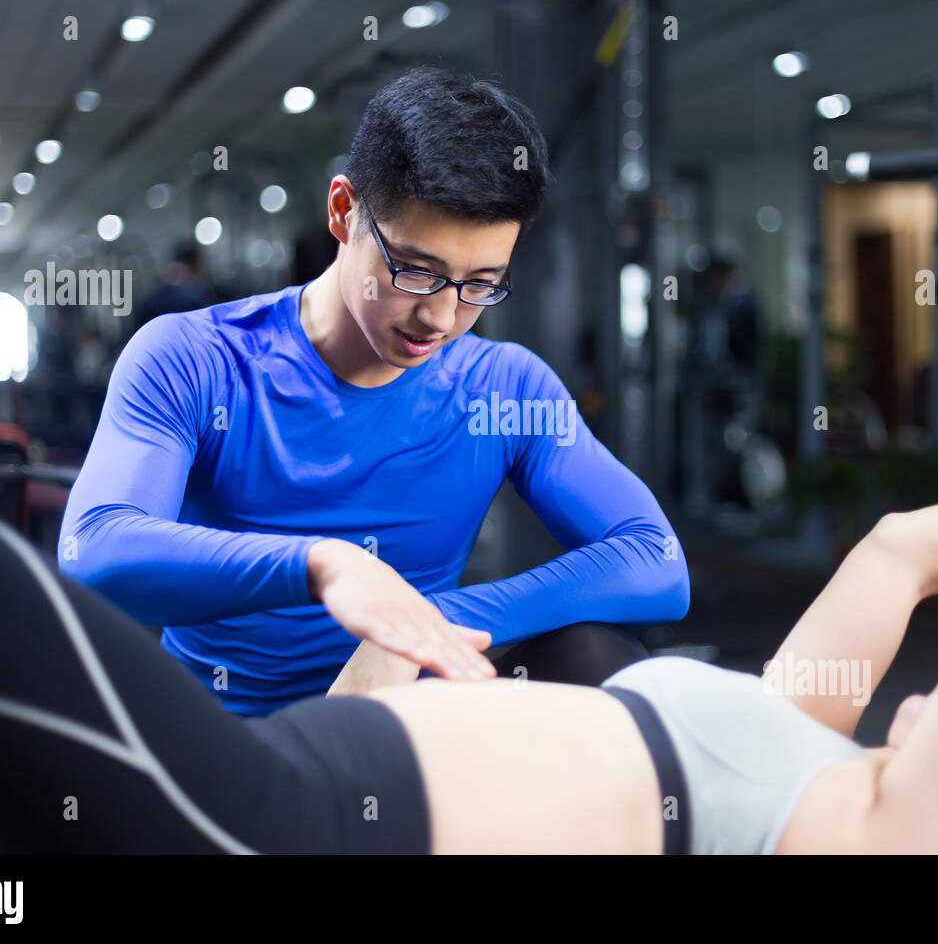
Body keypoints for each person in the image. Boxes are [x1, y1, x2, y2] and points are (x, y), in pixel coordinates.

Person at [0, 447, 938, 854]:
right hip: (276, 776)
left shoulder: (903, 850)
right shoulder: (805, 736)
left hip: (256, 828)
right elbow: (910, 548)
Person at [57, 67, 688, 716]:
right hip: (230, 747)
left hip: (401, 735)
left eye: (480, 284)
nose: (441, 318)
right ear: (343, 211)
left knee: (598, 660)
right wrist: (326, 568)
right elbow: (96, 548)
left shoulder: (505, 388)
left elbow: (656, 561)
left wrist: (425, 622)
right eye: (417, 271)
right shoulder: (194, 359)